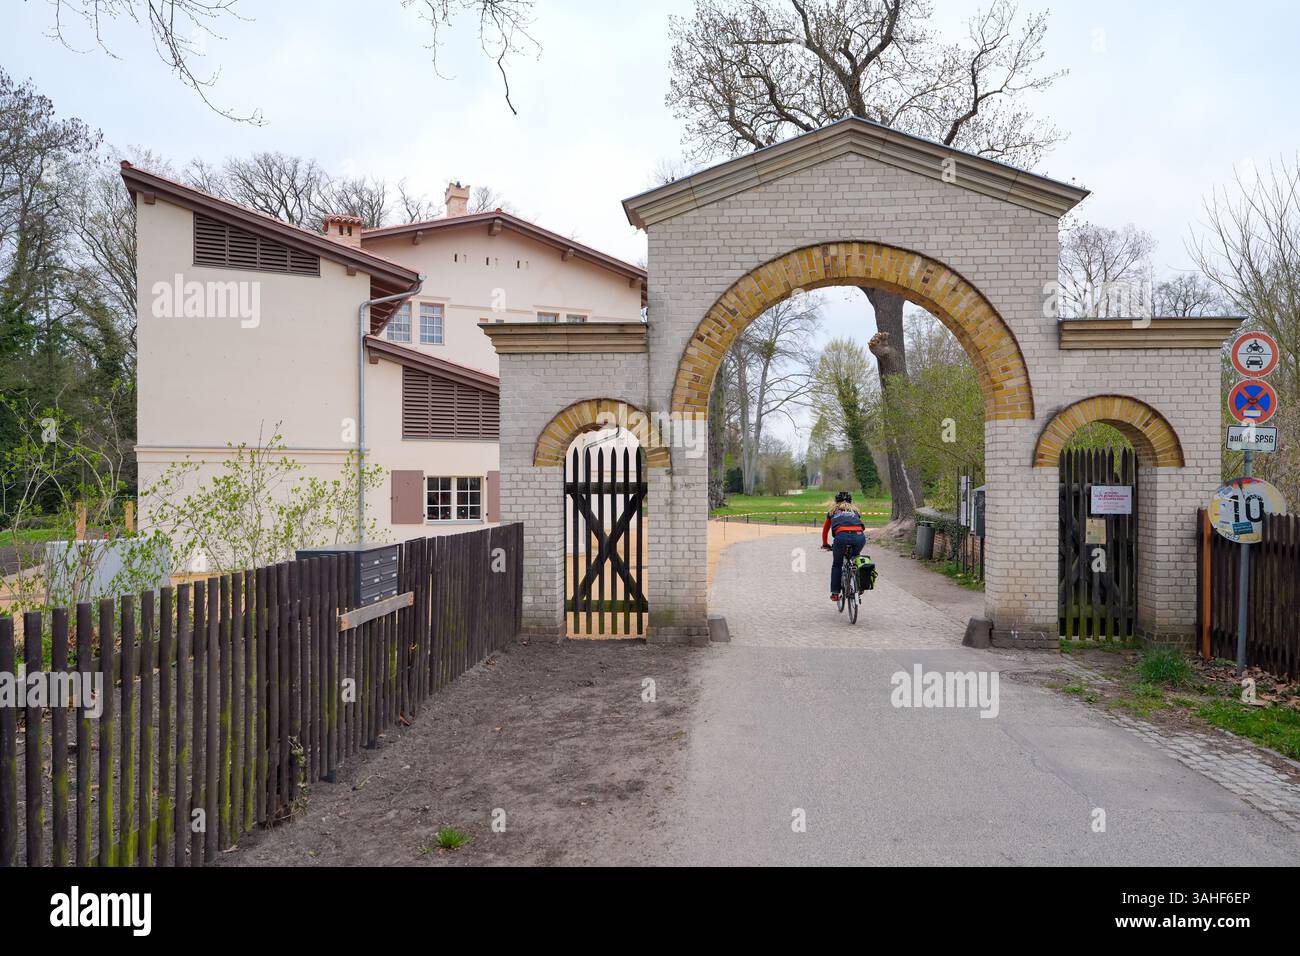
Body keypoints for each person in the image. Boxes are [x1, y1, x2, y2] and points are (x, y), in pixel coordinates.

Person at [820, 491, 867, 603]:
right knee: (855, 559)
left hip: (841, 537)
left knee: (837, 564)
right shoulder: (855, 511)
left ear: (836, 501)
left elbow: (825, 531)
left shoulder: (832, 512)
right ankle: (859, 586)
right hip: (859, 537)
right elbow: (859, 525)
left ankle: (835, 593)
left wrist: (825, 544)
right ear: (851, 502)